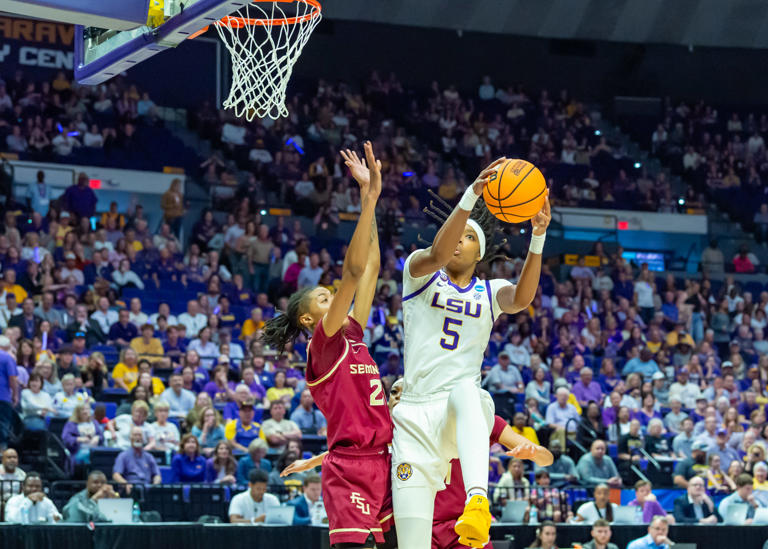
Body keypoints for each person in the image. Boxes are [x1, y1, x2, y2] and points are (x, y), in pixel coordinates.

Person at [388, 155, 550, 549]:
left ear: (480, 254)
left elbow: (523, 297)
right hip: (411, 416)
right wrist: (472, 194)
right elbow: (439, 253)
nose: (460, 241)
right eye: (457, 235)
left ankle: (477, 502)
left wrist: (538, 236)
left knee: (471, 393)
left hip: (453, 410)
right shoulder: (418, 273)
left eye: (470, 238)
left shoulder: (490, 291)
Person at [261, 144, 396, 548]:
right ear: (307, 319)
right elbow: (353, 272)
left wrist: (368, 194)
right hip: (350, 468)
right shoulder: (324, 342)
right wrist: (369, 199)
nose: (332, 299)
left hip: (384, 460)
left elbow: (370, 267)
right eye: (323, 298)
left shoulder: (353, 331)